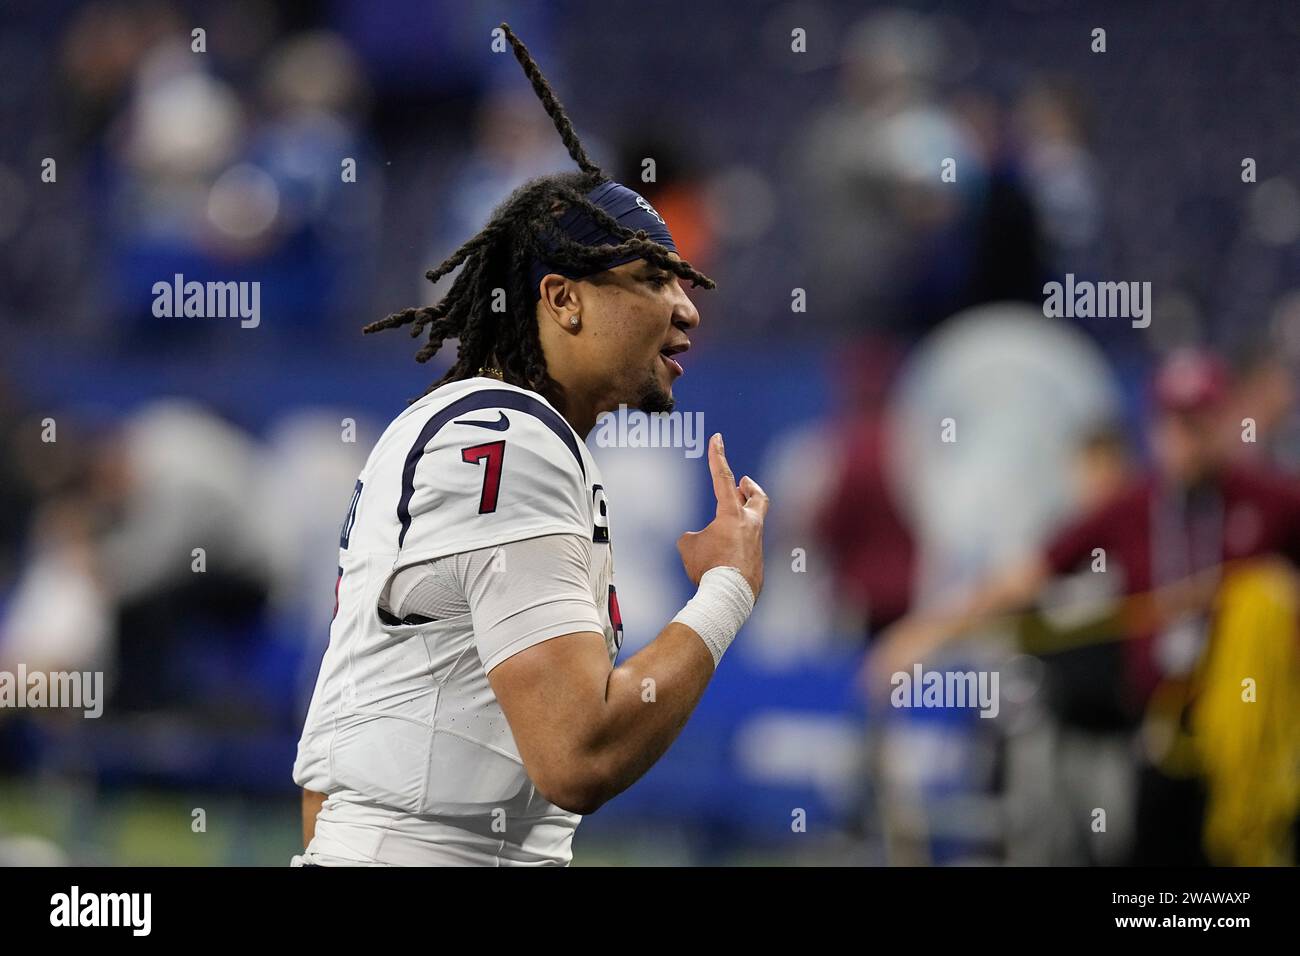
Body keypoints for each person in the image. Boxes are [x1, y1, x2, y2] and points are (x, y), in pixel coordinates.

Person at [291, 23, 769, 866]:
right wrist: (725, 591)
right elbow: (576, 756)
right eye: (654, 278)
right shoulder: (510, 439)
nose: (687, 308)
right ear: (563, 300)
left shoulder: (463, 425)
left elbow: (334, 772)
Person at [866, 349, 1300, 864]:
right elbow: (1022, 579)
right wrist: (923, 634)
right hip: (1160, 745)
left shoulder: (1271, 501)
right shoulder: (1131, 508)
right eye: (1174, 422)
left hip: (1248, 750)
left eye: (1198, 422)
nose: (1184, 439)